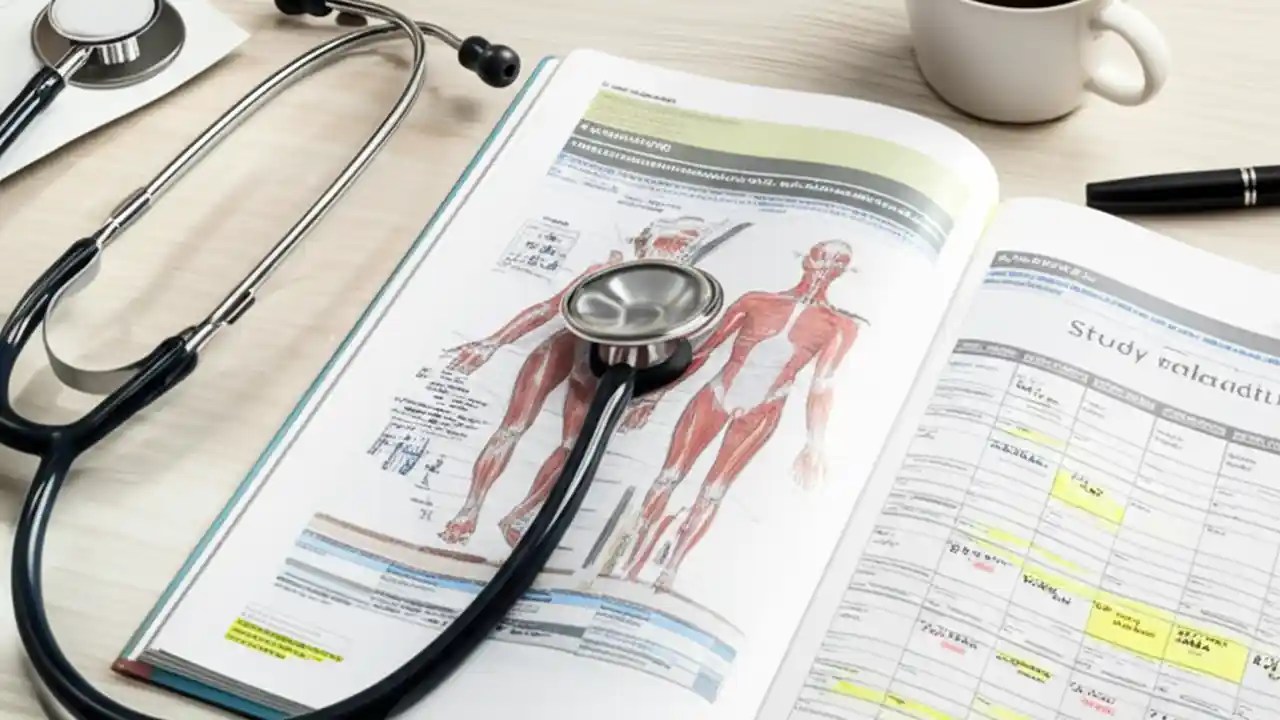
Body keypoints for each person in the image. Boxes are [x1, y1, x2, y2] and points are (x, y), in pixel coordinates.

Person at [437, 216, 743, 546]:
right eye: (674, 239)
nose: (680, 247)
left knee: (574, 448)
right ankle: (469, 510)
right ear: (645, 242)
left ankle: (521, 515)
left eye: (688, 243)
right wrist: (491, 343)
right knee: (511, 428)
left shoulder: (678, 292)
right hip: (564, 349)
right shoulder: (607, 271)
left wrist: (653, 398)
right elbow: (547, 308)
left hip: (603, 372)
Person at [620, 239, 863, 592]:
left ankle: (669, 571)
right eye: (823, 257)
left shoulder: (840, 325)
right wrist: (653, 396)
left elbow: (821, 386)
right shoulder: (756, 301)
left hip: (763, 408)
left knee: (714, 490)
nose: (826, 267)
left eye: (837, 262)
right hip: (717, 395)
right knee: (669, 476)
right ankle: (629, 560)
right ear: (806, 259)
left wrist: (815, 445)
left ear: (842, 271)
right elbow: (704, 351)